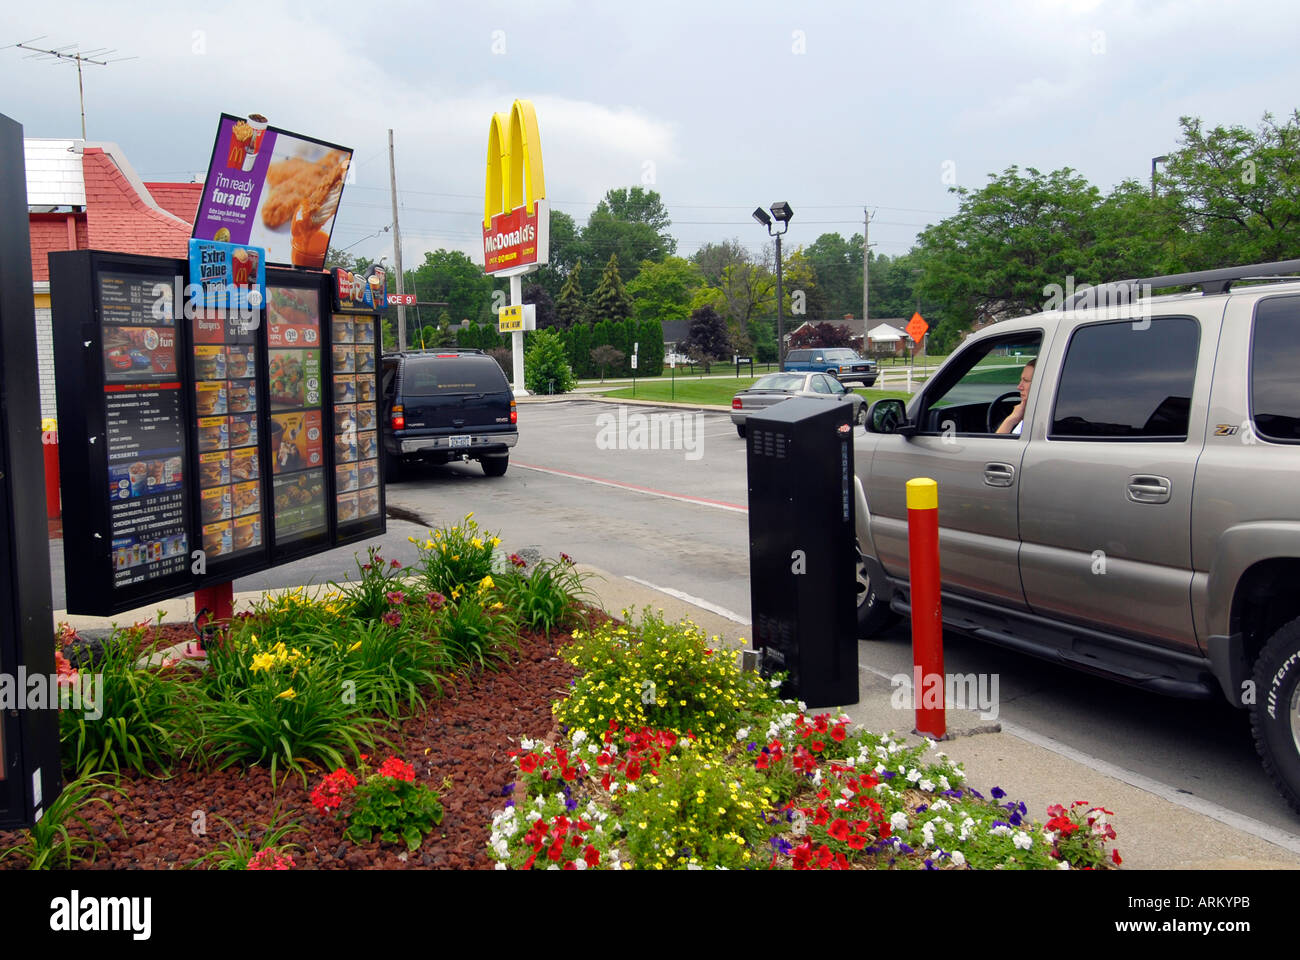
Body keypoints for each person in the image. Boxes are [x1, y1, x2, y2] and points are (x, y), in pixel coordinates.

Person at [995, 358, 1035, 435]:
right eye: (1021, 380)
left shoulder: (1036, 422)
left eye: (1026, 380)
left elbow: (996, 445)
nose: (1019, 387)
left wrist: (1011, 420)